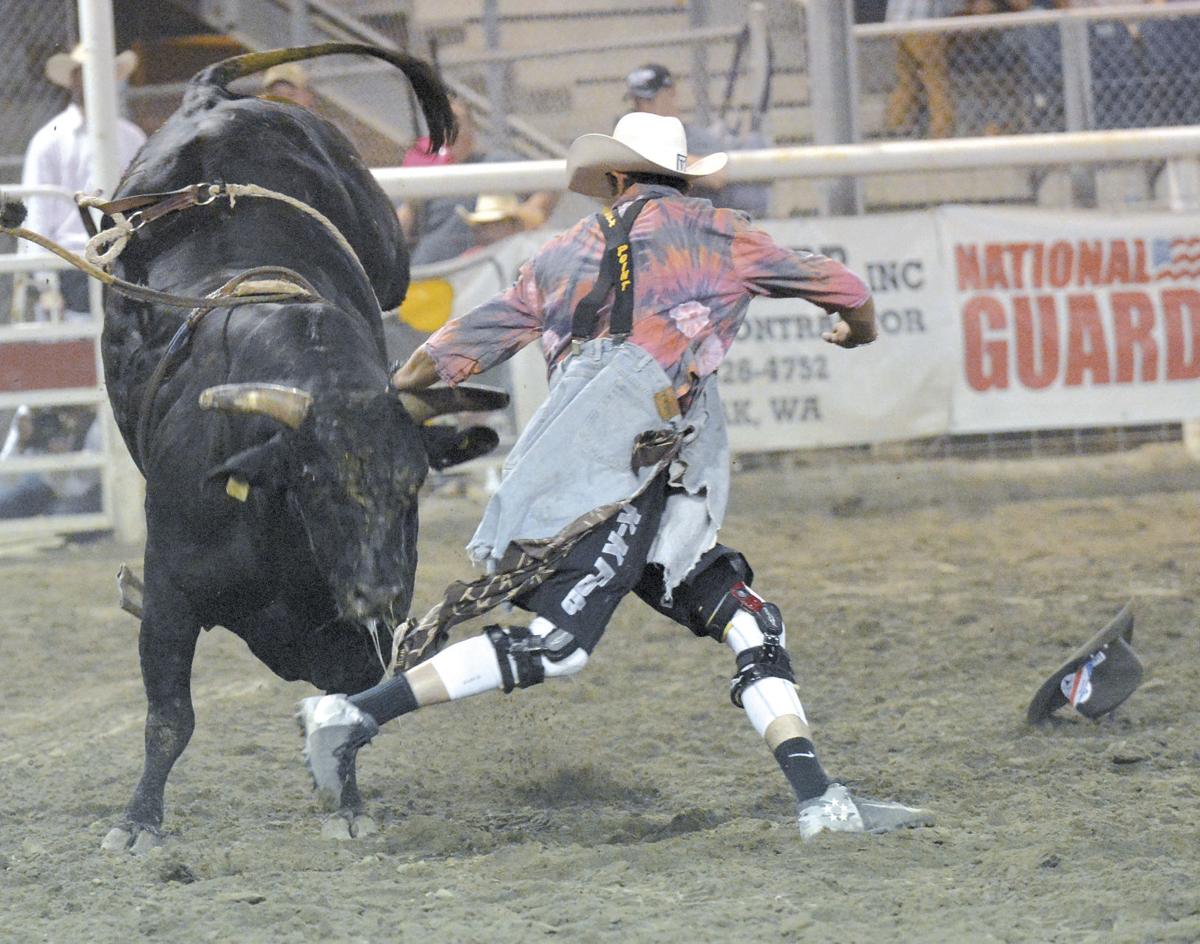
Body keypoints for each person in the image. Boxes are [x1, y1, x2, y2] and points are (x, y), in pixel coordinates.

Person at [298, 111, 934, 839]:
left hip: (605, 475)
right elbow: (848, 291)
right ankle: (350, 714)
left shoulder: (555, 256)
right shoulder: (721, 234)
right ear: (682, 175)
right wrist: (855, 332)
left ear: (617, 178)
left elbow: (439, 358)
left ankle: (822, 801)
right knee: (559, 646)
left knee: (748, 621)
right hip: (633, 472)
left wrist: (387, 406)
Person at [20, 43, 147, 319]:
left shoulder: (131, 136)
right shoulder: (49, 140)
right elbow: (37, 216)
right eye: (85, 73)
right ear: (73, 79)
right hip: (71, 266)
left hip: (127, 260)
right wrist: (47, 285)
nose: (93, 80)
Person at [397, 96, 558, 266]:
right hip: (429, 274)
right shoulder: (428, 173)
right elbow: (400, 229)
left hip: (482, 272)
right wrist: (412, 196)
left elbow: (550, 185)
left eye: (456, 121)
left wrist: (525, 219)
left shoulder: (496, 163)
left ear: (472, 128)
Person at [624, 63, 771, 218]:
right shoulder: (633, 138)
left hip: (702, 227)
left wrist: (652, 160)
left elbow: (716, 176)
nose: (642, 108)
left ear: (671, 92)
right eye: (637, 101)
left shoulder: (693, 138)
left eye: (649, 100)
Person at [883, 0, 966, 139]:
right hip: (924, 25)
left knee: (907, 82)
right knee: (937, 81)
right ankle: (942, 133)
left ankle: (894, 126)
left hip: (898, 23)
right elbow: (956, 8)